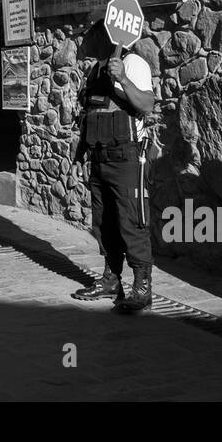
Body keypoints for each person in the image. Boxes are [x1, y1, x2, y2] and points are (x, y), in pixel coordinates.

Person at [70, 22, 156, 312]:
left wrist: (123, 80)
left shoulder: (132, 64)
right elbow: (89, 113)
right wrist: (80, 154)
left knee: (132, 221)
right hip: (98, 157)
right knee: (103, 222)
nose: (86, 39)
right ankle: (111, 280)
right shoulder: (95, 70)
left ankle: (142, 288)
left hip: (127, 157)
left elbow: (146, 105)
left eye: (91, 34)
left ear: (106, 35)